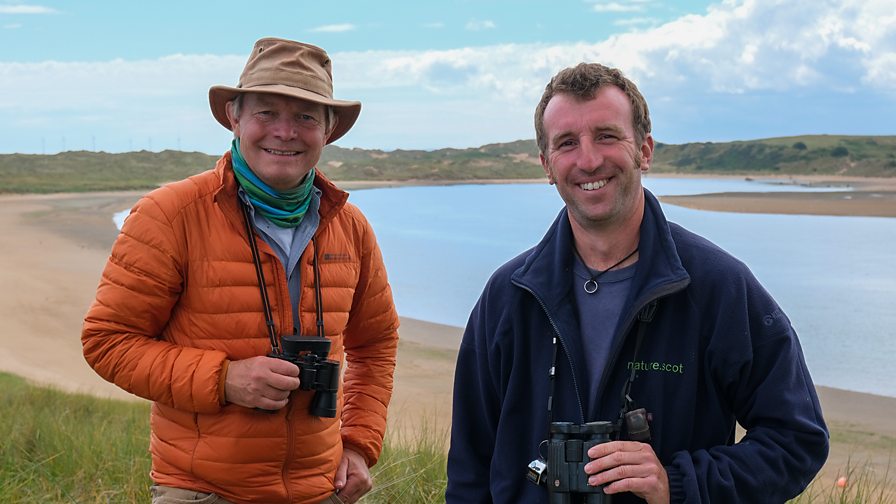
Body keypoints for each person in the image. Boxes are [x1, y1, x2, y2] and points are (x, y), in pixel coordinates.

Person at [446, 62, 829, 503]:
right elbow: (469, 472)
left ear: (644, 151)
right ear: (547, 165)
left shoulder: (718, 288)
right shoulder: (508, 296)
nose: (588, 159)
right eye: (567, 143)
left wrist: (679, 484)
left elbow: (797, 440)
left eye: (607, 136)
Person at [82, 37, 399, 504]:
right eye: (267, 112)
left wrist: (357, 443)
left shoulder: (349, 227)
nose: (286, 132)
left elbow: (376, 344)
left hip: (323, 489)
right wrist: (224, 379)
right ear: (235, 116)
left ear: (328, 129)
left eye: (306, 116)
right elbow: (106, 342)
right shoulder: (170, 215)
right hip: (202, 490)